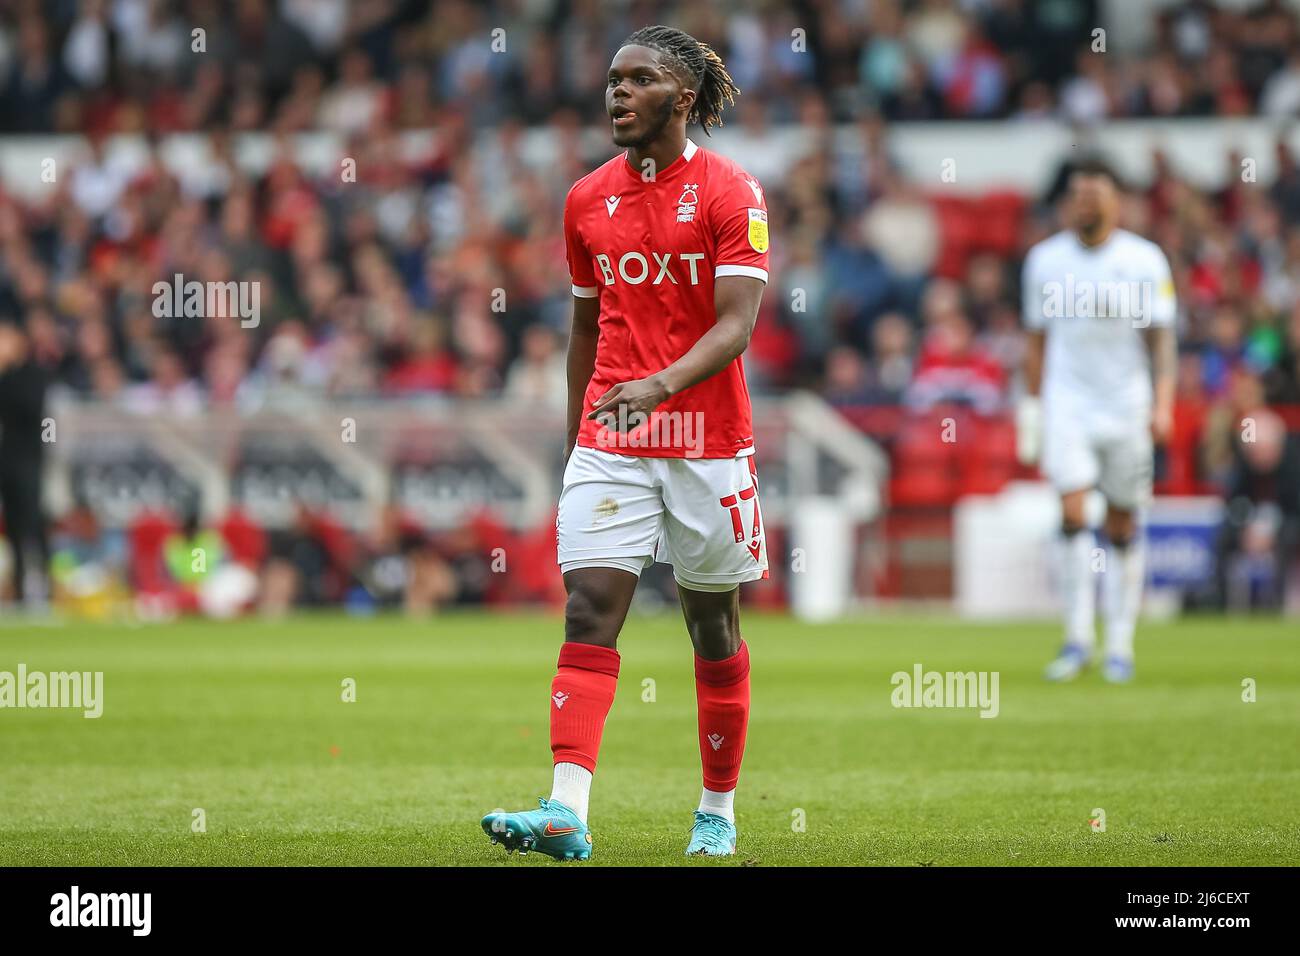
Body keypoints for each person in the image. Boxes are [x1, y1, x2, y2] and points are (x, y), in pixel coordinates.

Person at [481, 25, 769, 860]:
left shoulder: (731, 192)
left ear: (681, 98)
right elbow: (582, 327)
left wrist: (661, 384)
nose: (616, 93)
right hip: (615, 441)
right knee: (587, 608)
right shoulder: (585, 199)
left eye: (637, 80)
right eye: (612, 79)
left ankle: (716, 808)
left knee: (711, 628)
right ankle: (568, 809)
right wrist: (580, 439)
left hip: (706, 440)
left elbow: (738, 325)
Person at [1018, 158, 1178, 683]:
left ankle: (1121, 645)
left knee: (1123, 520)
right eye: (1077, 195)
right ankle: (1077, 639)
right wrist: (1034, 407)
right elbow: (1036, 342)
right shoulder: (1044, 260)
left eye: (1094, 195)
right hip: (1069, 404)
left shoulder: (1145, 260)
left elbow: (1162, 340)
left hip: (1127, 404)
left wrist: (1163, 403)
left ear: (1115, 201)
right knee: (1071, 511)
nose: (1084, 204)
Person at [0, 316, 51, 609]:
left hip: (29, 461)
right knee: (14, 527)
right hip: (7, 461)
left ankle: (43, 587)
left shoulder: (31, 374)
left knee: (33, 523)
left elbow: (30, 407)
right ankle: (20, 589)